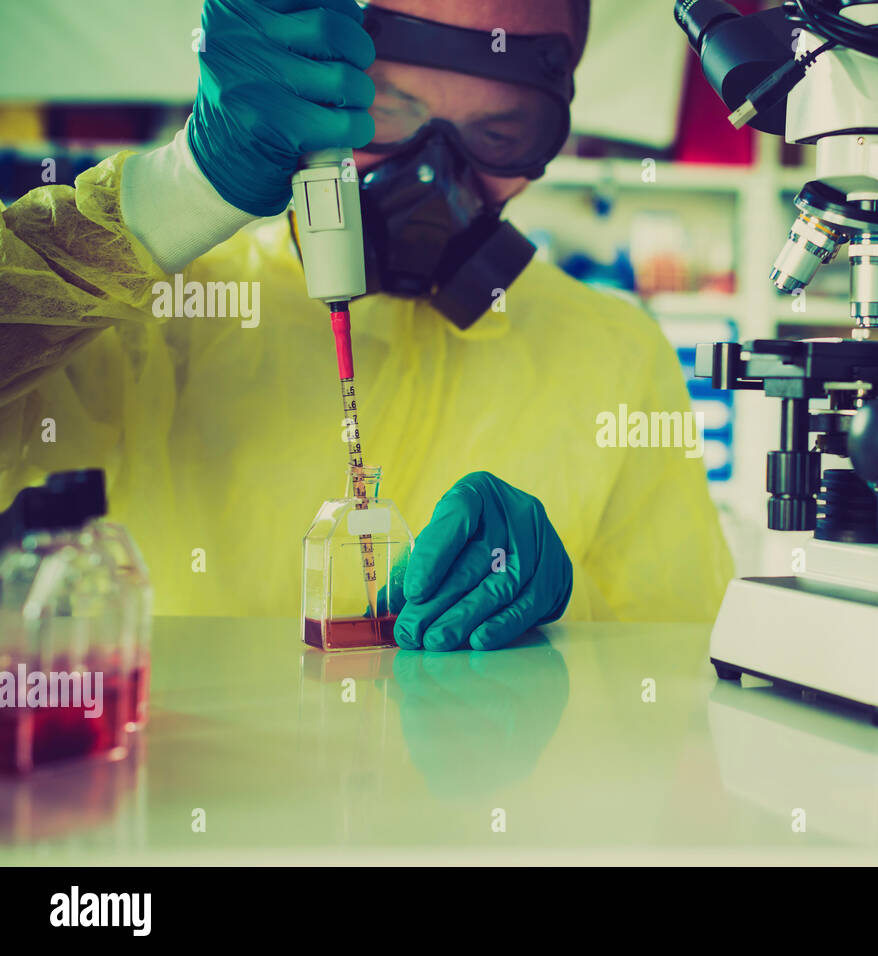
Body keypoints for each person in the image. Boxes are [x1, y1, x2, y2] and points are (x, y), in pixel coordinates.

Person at [0, 0, 733, 651]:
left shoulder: (616, 354)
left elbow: (682, 677)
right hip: (190, 790)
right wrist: (182, 192)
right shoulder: (153, 303)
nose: (433, 180)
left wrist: (557, 626)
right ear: (310, 79)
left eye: (501, 132)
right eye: (386, 112)